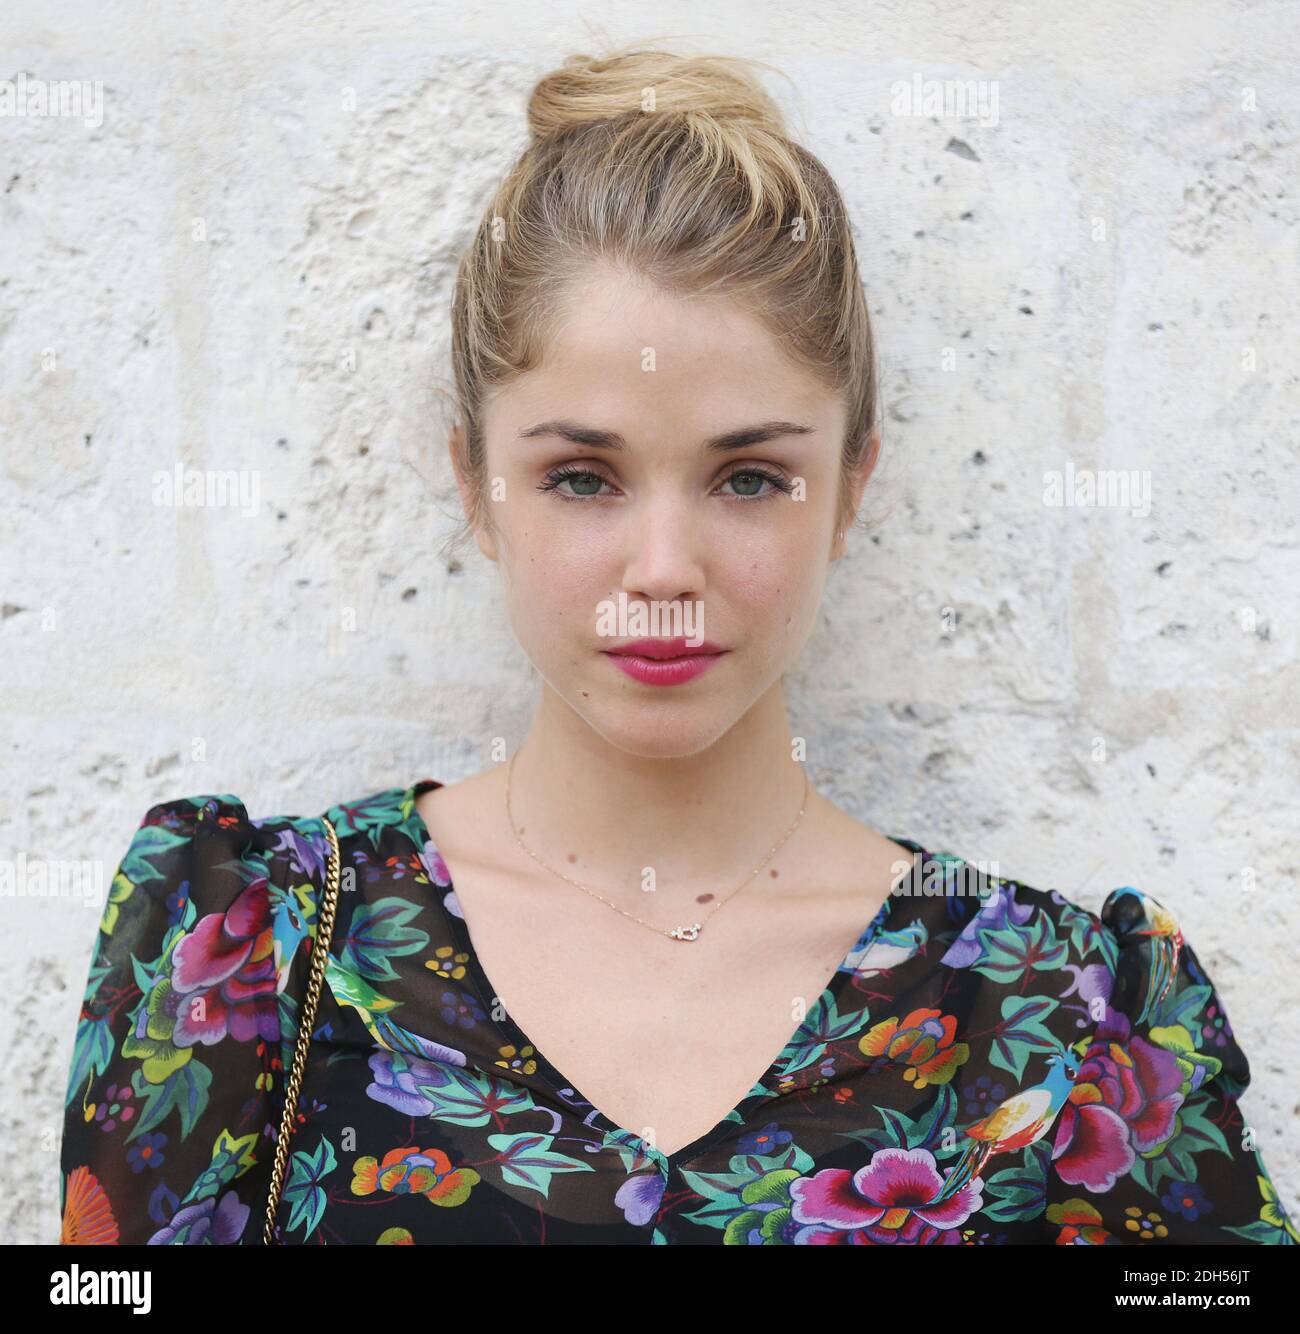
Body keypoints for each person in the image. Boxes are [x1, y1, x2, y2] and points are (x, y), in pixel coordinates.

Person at [59, 45, 1294, 1246]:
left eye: (749, 477)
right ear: (476, 487)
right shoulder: (253, 949)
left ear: (852, 488)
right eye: (582, 476)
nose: (663, 568)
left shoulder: (1063, 1016)